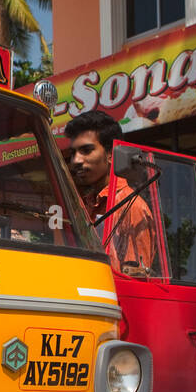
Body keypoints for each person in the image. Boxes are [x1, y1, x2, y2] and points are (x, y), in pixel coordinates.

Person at [63, 110, 157, 275]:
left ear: (110, 155)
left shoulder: (130, 207)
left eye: (86, 150)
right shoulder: (85, 205)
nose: (76, 160)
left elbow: (134, 282)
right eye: (73, 153)